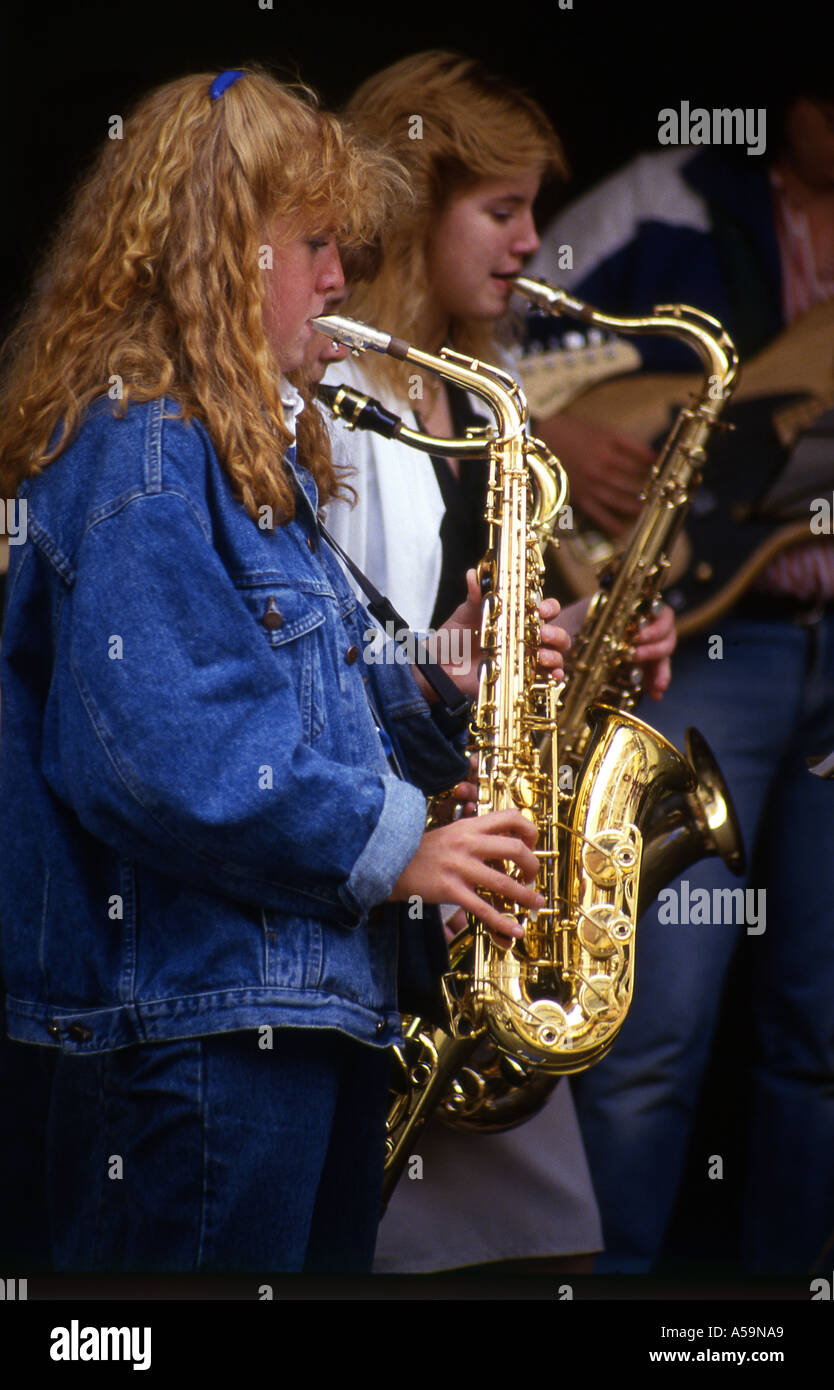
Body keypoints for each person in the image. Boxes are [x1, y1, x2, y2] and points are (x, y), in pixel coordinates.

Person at [0, 66, 571, 1276]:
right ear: (217, 254)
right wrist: (394, 842)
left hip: (283, 1010)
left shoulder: (234, 449)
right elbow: (161, 747)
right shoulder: (143, 445)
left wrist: (440, 688)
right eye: (312, 243)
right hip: (198, 1026)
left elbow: (281, 710)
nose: (339, 278)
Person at [322, 51, 676, 1274]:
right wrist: (458, 658)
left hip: (483, 864)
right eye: (503, 209)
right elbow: (321, 648)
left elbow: (492, 625)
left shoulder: (482, 404)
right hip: (386, 868)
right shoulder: (329, 396)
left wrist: (598, 643)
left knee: (540, 1250)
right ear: (417, 208)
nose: (535, 242)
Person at [528, 84, 834, 1273]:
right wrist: (558, 433)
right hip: (708, 636)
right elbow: (494, 322)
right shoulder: (668, 193)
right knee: (646, 1026)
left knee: (820, 1031)